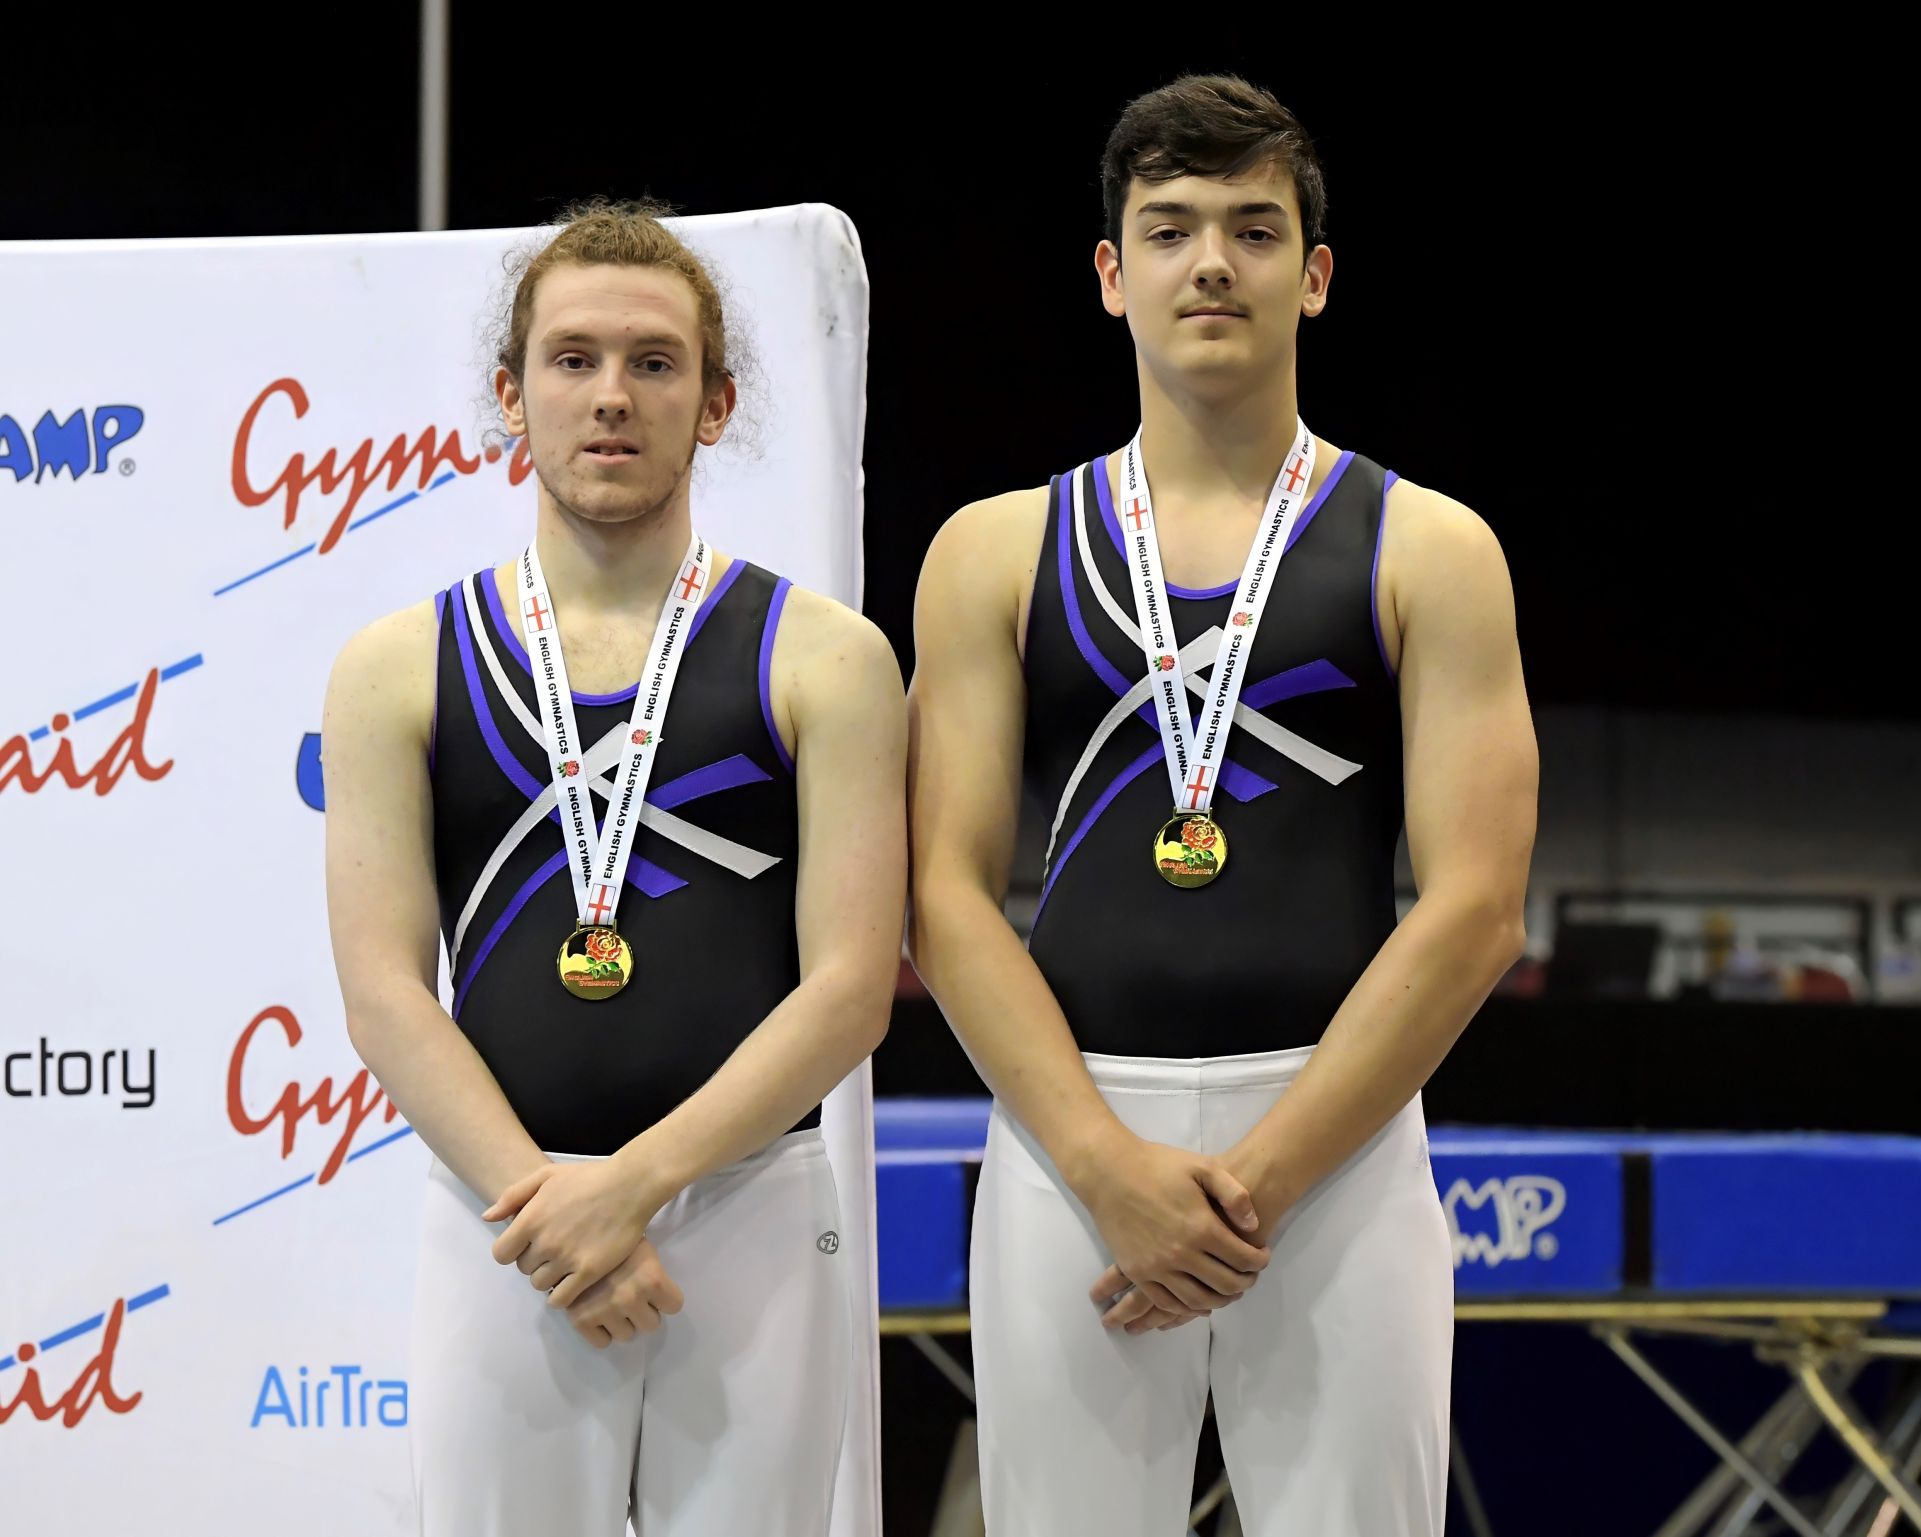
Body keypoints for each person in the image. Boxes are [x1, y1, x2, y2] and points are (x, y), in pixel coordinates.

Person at [907, 78, 1538, 1535]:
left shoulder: (1429, 549)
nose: (1212, 263)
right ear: (1111, 275)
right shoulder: (995, 551)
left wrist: (1254, 1180)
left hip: (1337, 1137)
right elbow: (940, 889)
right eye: (1171, 228)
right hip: (1074, 1145)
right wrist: (1101, 1161)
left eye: (1255, 230)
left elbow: (1479, 904)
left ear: (1314, 277)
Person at [321, 198, 905, 1536]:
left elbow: (851, 989)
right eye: (572, 359)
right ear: (507, 398)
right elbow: (384, 993)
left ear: (716, 403)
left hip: (755, 1213)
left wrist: (629, 1191)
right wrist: (549, 1206)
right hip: (501, 1220)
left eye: (655, 362)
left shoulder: (824, 659)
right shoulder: (395, 666)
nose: (611, 396)